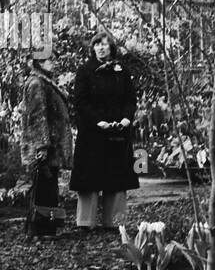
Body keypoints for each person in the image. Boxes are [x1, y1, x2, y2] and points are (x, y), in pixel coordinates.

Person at [70, 33, 139, 233]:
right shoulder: (84, 71)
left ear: (111, 48)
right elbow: (80, 101)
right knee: (89, 178)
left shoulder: (121, 71)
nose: (101, 48)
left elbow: (130, 99)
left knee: (116, 177)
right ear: (93, 48)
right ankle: (86, 222)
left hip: (117, 133)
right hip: (93, 133)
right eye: (97, 44)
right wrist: (98, 121)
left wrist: (126, 118)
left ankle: (115, 221)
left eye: (105, 44)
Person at [21, 47, 73, 240]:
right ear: (39, 64)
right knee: (43, 188)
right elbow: (37, 117)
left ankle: (46, 229)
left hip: (51, 145)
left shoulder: (44, 82)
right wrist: (42, 146)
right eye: (49, 60)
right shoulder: (37, 84)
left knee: (48, 188)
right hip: (46, 147)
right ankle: (40, 230)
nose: (53, 62)